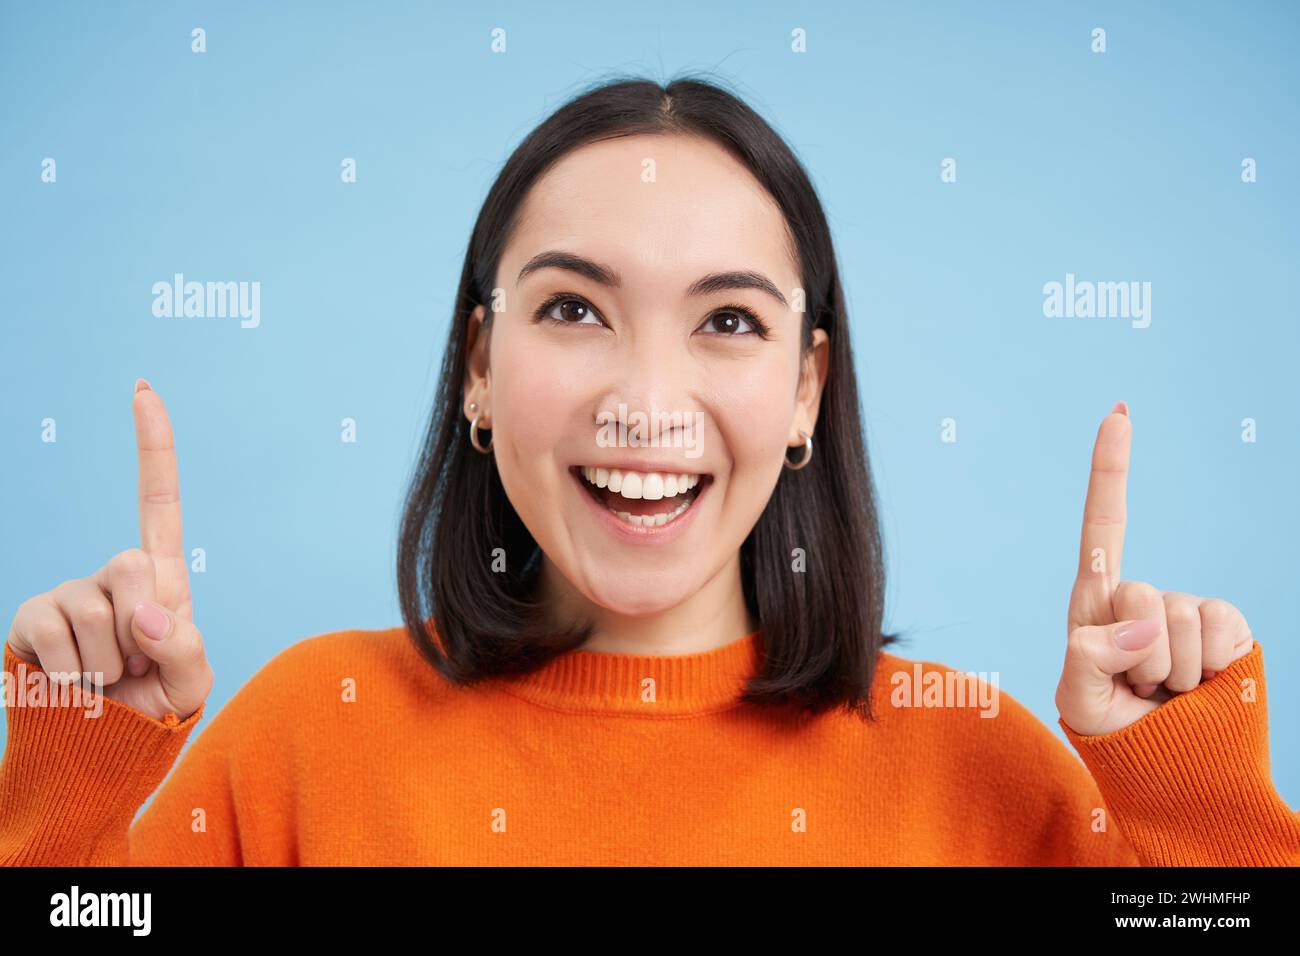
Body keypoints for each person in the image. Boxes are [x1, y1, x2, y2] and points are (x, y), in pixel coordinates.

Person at [3, 75, 1297, 866]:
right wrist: (73, 768)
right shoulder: (302, 738)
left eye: (728, 320)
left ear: (805, 389)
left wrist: (1192, 808)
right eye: (574, 309)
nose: (643, 400)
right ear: (476, 364)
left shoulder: (984, 770)